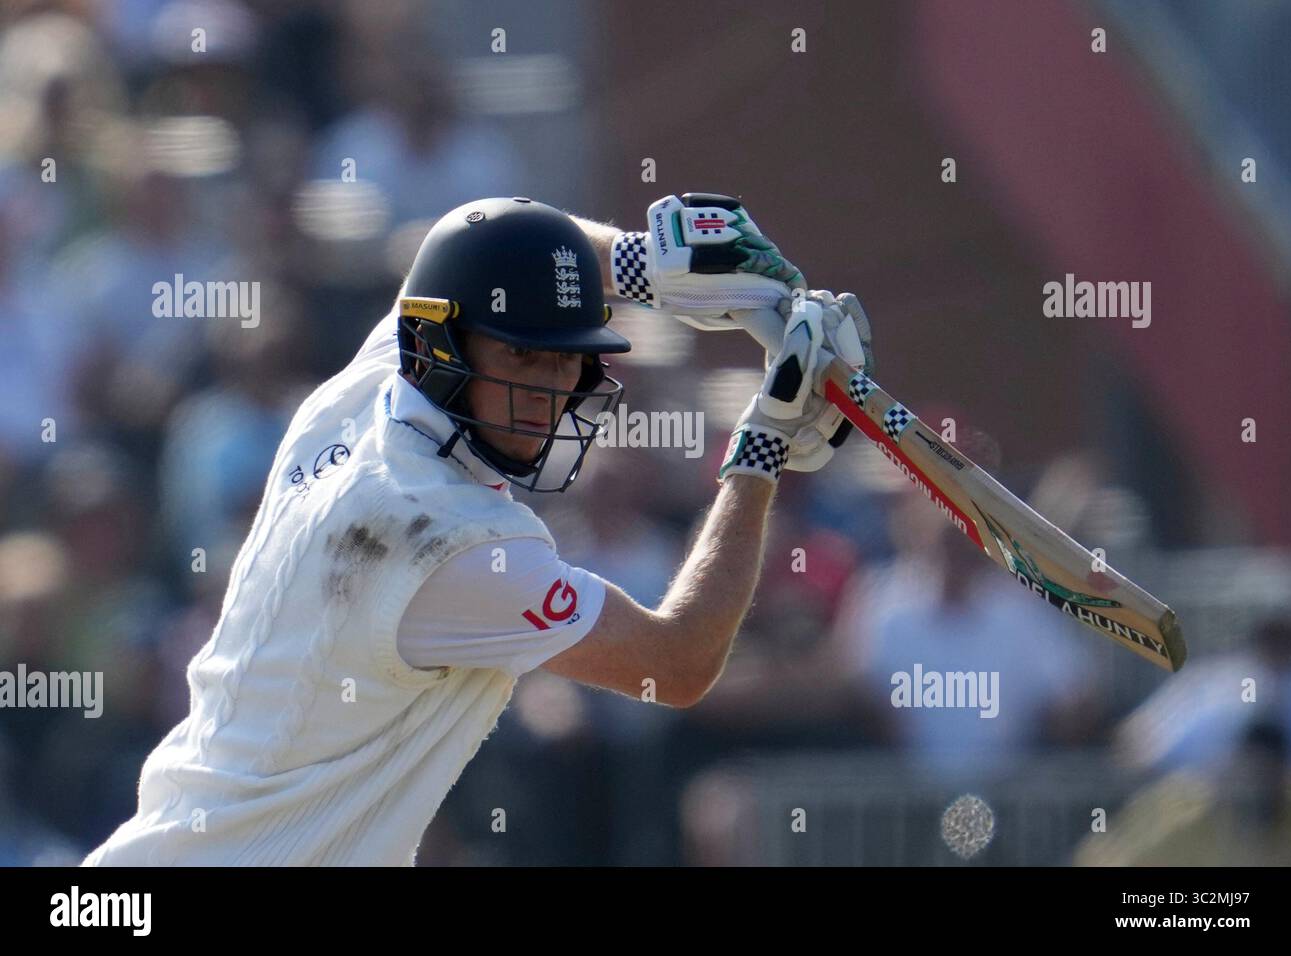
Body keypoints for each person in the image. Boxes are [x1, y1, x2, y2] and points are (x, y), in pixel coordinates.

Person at [83, 193, 872, 865]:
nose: (552, 392)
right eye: (524, 361)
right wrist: (760, 448)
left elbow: (479, 229)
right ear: (442, 347)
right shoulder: (445, 540)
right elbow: (678, 662)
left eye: (565, 363)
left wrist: (644, 265)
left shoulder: (369, 392)